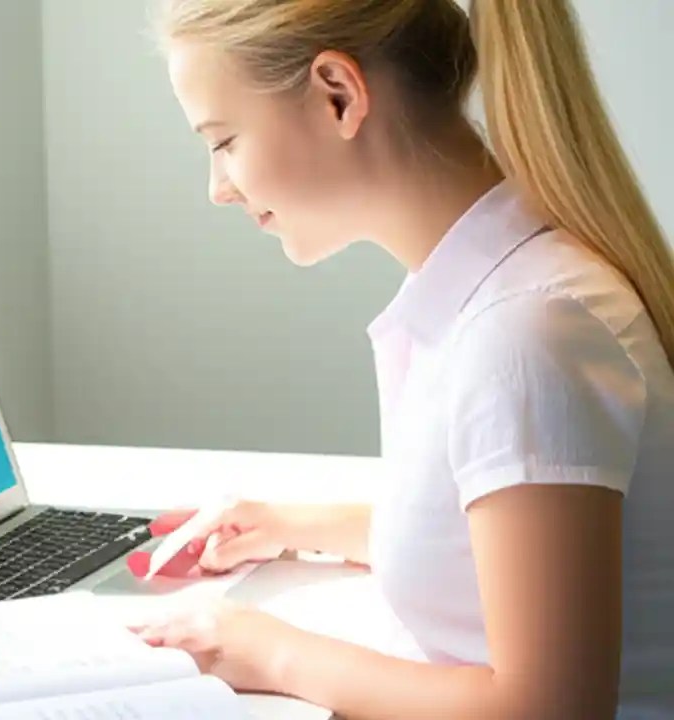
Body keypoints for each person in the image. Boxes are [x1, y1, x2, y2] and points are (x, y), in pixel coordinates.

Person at [126, 1, 674, 717]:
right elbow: (494, 544)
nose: (219, 187)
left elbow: (548, 707)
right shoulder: (501, 289)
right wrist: (299, 525)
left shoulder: (525, 333)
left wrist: (263, 650)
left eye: (224, 140)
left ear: (338, 95)